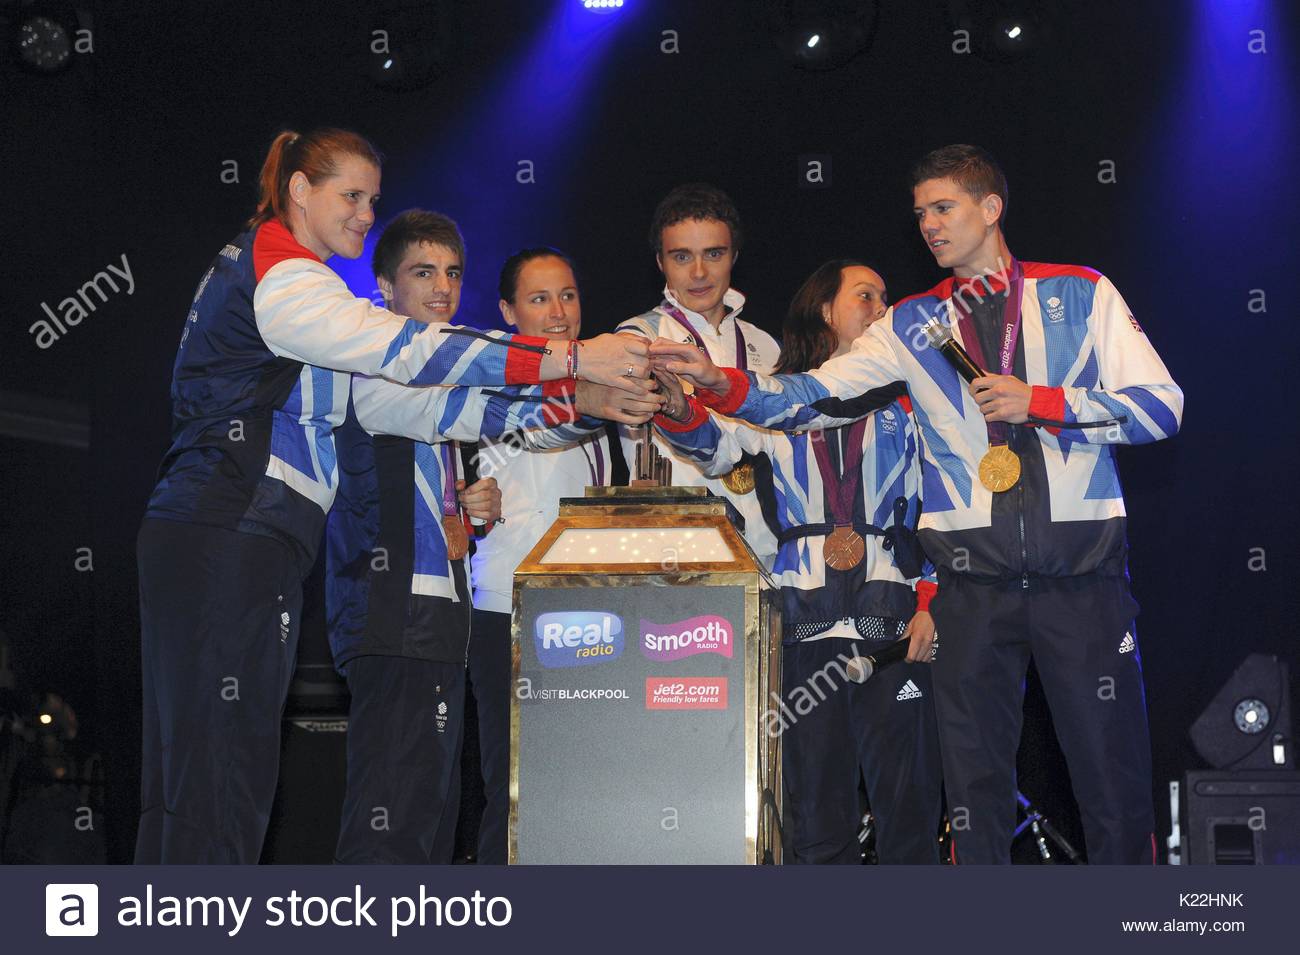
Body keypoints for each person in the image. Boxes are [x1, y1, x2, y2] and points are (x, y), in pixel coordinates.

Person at [651, 145, 1183, 864]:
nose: (928, 225)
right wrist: (721, 382)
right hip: (970, 590)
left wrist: (1044, 403)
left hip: (1080, 581)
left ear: (990, 209)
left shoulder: (1081, 292)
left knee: (1111, 787)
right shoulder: (911, 323)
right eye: (920, 213)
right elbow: (811, 395)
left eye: (943, 208)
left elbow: (1162, 408)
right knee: (973, 797)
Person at [136, 128, 651, 864]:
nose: (362, 213)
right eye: (350, 195)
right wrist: (573, 356)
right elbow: (406, 351)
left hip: (231, 535)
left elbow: (423, 407)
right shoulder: (286, 276)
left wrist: (584, 399)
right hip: (235, 529)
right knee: (220, 777)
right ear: (299, 192)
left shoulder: (287, 293)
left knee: (200, 779)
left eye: (372, 200)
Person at [652, 260, 943, 863]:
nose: (884, 309)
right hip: (803, 628)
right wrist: (676, 408)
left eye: (887, 298)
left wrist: (934, 602)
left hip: (892, 624)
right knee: (814, 809)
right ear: (825, 311)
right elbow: (713, 449)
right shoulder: (772, 403)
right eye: (867, 296)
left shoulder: (915, 404)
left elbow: (943, 507)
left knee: (909, 805)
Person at [457, 247, 617, 864]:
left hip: (589, 609)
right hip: (509, 605)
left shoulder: (596, 385)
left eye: (568, 295)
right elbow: (547, 428)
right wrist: (598, 401)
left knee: (579, 780)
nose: (558, 311)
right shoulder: (493, 380)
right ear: (507, 311)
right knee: (515, 783)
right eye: (539, 298)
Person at [615, 183, 781, 566]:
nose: (700, 272)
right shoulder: (639, 339)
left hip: (767, 555)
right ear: (660, 261)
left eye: (714, 254)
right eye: (682, 257)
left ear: (734, 255)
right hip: (673, 553)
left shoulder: (768, 347)